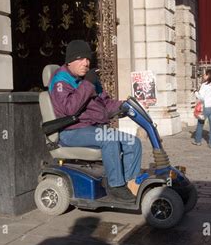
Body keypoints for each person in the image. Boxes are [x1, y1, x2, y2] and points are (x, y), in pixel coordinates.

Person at [48, 40, 141, 202]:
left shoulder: (88, 80)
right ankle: (115, 186)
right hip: (70, 131)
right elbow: (69, 109)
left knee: (133, 142)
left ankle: (128, 182)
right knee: (109, 140)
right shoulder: (61, 82)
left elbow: (105, 104)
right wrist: (87, 84)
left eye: (88, 59)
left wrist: (124, 106)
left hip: (92, 129)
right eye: (81, 59)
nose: (86, 63)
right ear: (70, 61)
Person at [192, 69, 211, 148]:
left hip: (205, 107)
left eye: (205, 74)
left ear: (208, 75)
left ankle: (198, 141)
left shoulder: (204, 85)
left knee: (200, 124)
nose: (203, 76)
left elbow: (201, 97)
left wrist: (195, 92)